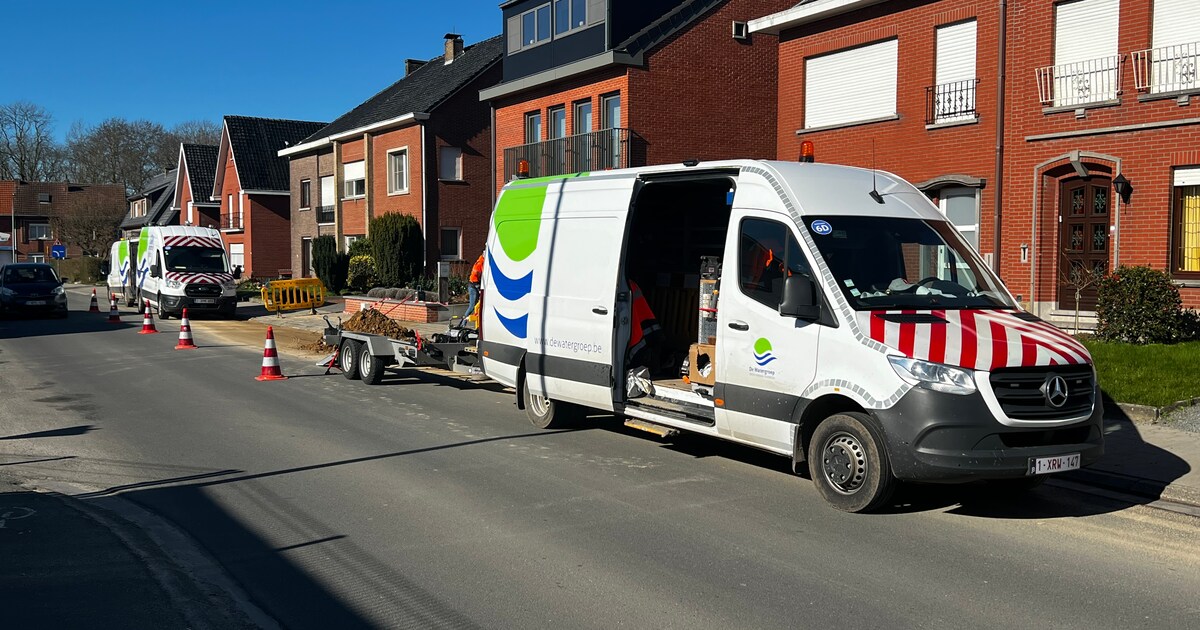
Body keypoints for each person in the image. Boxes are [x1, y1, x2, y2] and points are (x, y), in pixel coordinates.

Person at [466, 251, 485, 323]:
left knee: (476, 306)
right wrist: (478, 286)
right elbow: (474, 276)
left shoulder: (482, 262)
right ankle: (463, 323)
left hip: (474, 285)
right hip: (473, 286)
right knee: (472, 306)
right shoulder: (480, 263)